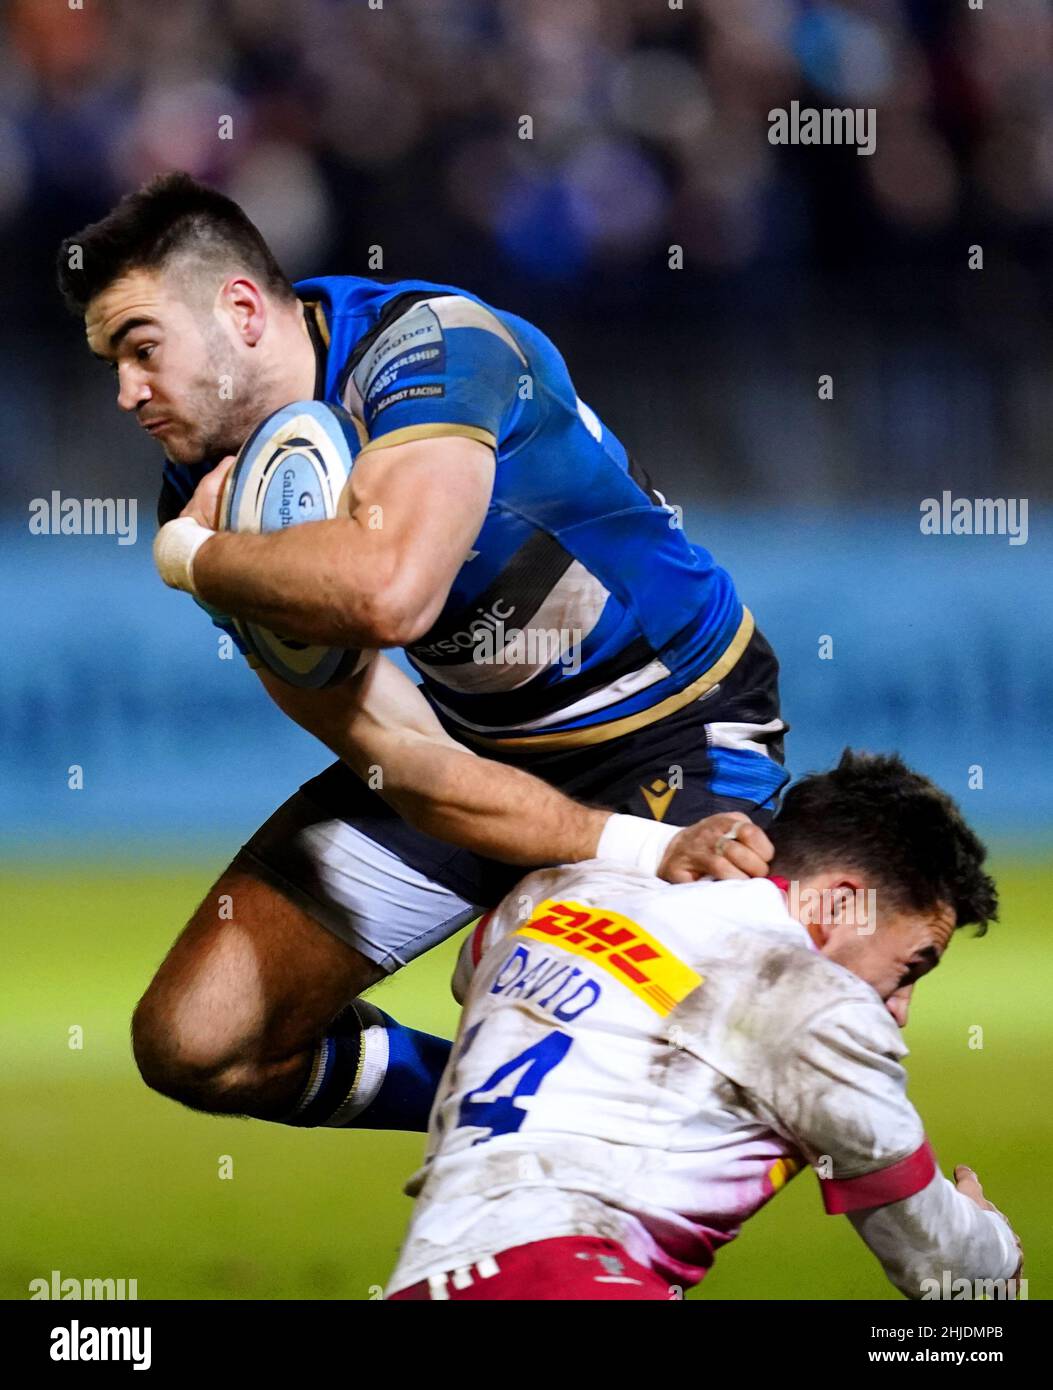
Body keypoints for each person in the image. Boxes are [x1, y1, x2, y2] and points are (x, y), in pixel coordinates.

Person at [56, 172, 787, 1136]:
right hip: (474, 746)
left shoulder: (433, 349)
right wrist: (641, 854)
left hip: (675, 733)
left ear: (238, 309)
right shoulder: (205, 494)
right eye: (111, 361)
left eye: (141, 348)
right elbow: (390, 751)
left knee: (663, 1057)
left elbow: (388, 594)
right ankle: (527, 1110)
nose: (125, 391)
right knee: (201, 1041)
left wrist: (202, 559)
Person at [386, 751, 1021, 1301]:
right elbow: (942, 1265)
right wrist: (999, 1252)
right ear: (839, 902)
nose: (900, 1007)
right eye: (911, 965)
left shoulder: (562, 893)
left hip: (424, 1278)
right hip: (576, 1277)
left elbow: (474, 975)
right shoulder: (810, 996)